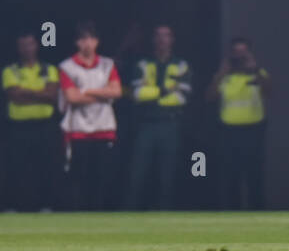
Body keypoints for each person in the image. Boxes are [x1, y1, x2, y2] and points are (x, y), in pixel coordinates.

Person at [58, 21, 122, 211]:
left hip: (104, 128)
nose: (88, 43)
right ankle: (78, 214)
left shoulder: (107, 64)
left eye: (91, 38)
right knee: (79, 176)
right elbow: (72, 97)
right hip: (78, 129)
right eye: (83, 39)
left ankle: (99, 215)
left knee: (101, 176)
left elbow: (116, 92)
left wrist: (85, 91)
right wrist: (103, 94)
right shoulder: (67, 66)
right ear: (77, 42)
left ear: (97, 41)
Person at [126, 25, 191, 210]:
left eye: (166, 36)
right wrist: (166, 90)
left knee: (167, 176)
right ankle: (129, 218)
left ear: (172, 39)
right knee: (137, 174)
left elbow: (181, 98)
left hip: (170, 124)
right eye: (158, 36)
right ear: (153, 39)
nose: (162, 40)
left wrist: (151, 93)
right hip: (146, 124)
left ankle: (166, 219)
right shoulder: (143, 64)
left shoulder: (181, 65)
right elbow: (137, 95)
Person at [208, 37, 270, 210]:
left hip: (253, 130)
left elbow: (269, 91)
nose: (240, 56)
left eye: (244, 52)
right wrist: (220, 74)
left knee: (255, 174)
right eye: (237, 52)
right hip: (229, 131)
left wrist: (255, 69)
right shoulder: (224, 75)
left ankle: (258, 212)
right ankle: (232, 213)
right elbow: (210, 97)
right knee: (231, 175)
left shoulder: (258, 73)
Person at [2, 32, 61, 211]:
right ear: (18, 48)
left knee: (46, 167)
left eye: (30, 44)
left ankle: (47, 205)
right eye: (23, 45)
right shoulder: (10, 70)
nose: (27, 49)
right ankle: (14, 206)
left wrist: (25, 91)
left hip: (44, 127)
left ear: (36, 46)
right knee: (17, 168)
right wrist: (39, 93)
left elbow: (52, 96)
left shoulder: (49, 69)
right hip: (19, 128)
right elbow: (14, 96)